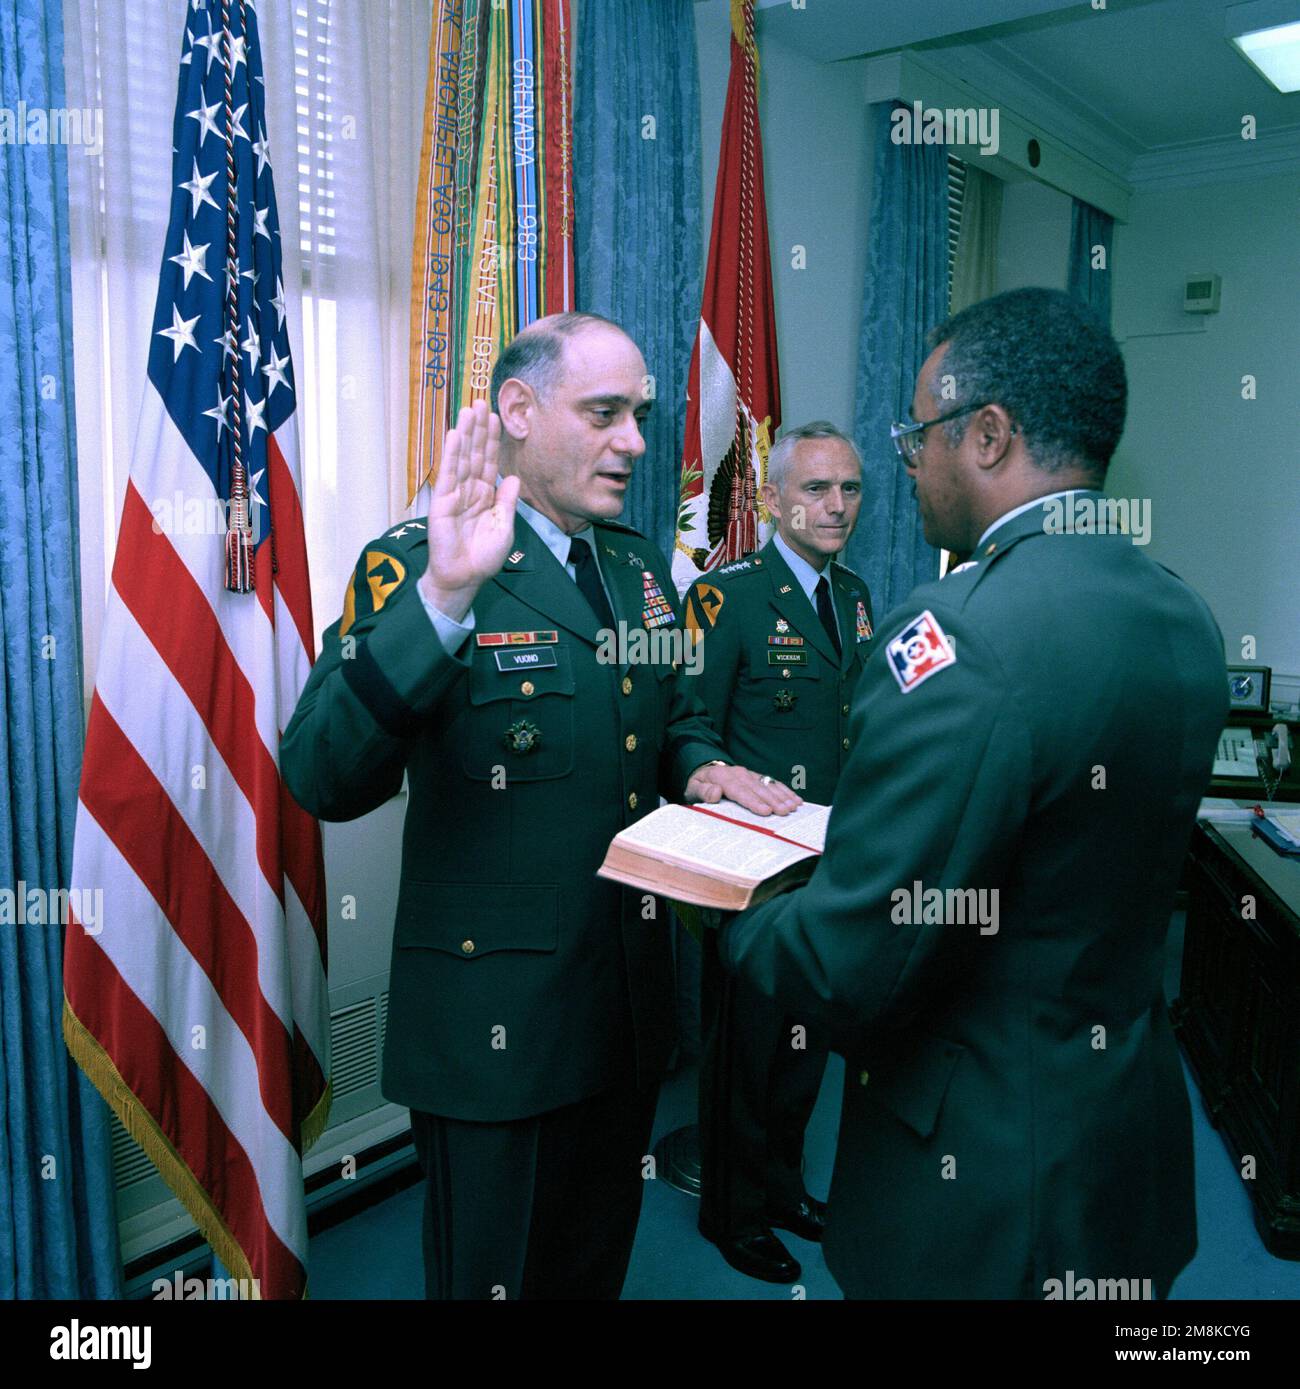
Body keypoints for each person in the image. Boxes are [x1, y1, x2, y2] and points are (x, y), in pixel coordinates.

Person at [715, 287, 1228, 1299]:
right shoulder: (1184, 614)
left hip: (982, 1181)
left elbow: (853, 965)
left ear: (987, 435)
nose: (907, 463)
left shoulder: (959, 634)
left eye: (918, 434)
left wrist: (727, 909)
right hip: (1119, 1137)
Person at [282, 312, 799, 1300]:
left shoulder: (638, 568)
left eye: (640, 416)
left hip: (625, 1004)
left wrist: (702, 769)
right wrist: (442, 598)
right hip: (496, 1027)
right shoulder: (417, 562)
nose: (637, 443)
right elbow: (321, 775)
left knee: (589, 1268)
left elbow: (672, 711)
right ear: (517, 410)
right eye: (604, 413)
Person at [684, 422, 873, 1282]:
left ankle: (785, 1185)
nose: (836, 506)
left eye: (850, 489)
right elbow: (689, 727)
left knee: (807, 1044)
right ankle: (733, 1212)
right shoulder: (729, 597)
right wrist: (721, 777)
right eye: (815, 489)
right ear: (771, 500)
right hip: (751, 874)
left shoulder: (858, 595)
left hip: (829, 867)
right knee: (747, 1053)